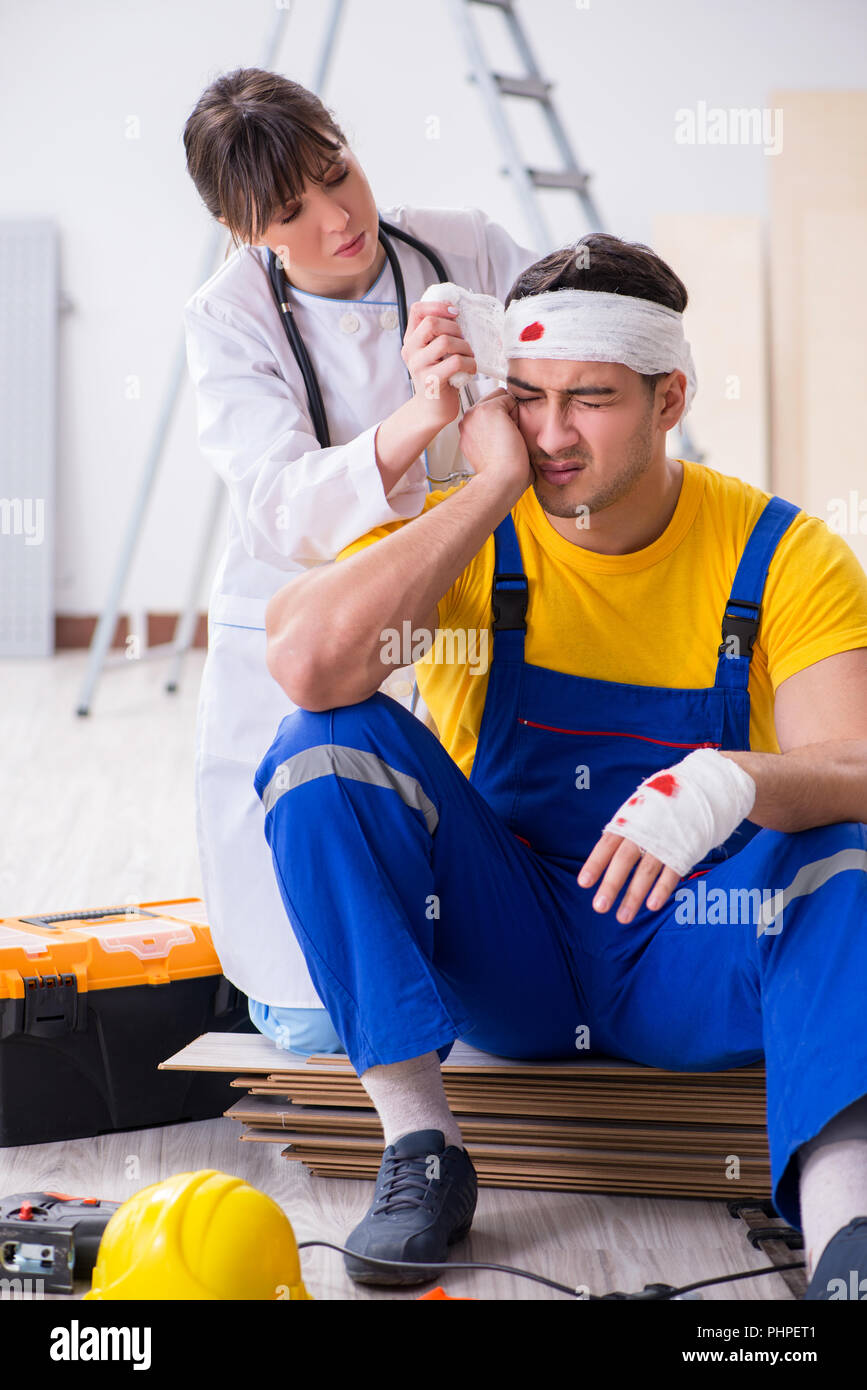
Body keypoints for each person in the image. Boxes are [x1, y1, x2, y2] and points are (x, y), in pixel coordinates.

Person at [257, 231, 867, 1294]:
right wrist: (485, 487)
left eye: (589, 398)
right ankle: (422, 1150)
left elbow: (855, 762)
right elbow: (307, 666)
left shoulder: (784, 552)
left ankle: (847, 1230)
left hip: (694, 947)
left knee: (844, 854)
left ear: (670, 398)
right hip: (511, 951)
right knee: (322, 752)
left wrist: (738, 778)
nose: (551, 435)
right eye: (526, 398)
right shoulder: (477, 532)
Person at [180, 67, 537, 1055]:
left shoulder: (462, 247)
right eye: (295, 210)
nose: (340, 216)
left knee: (491, 957)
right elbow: (280, 504)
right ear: (248, 228)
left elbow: (578, 340)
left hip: (468, 603)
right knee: (310, 1020)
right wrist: (426, 413)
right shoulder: (230, 317)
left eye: (340, 173)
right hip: (308, 615)